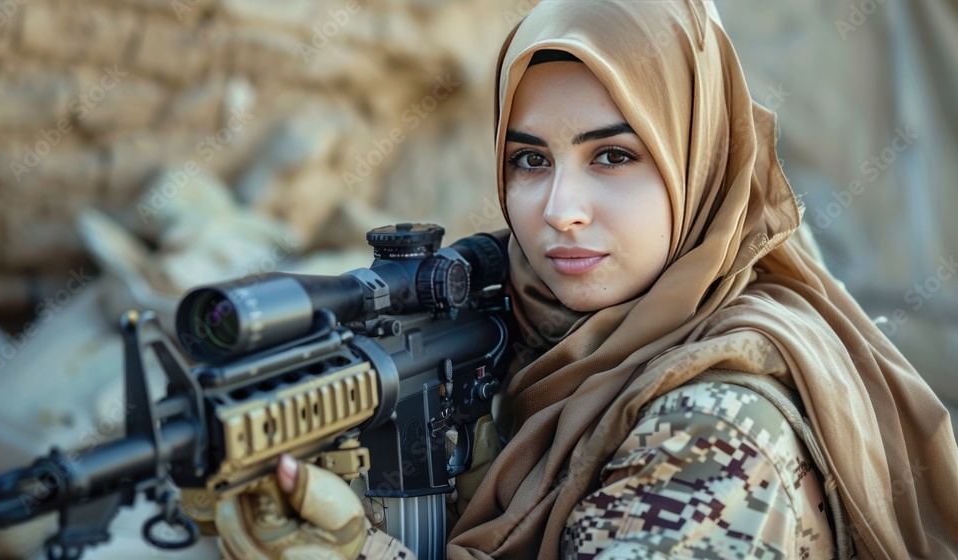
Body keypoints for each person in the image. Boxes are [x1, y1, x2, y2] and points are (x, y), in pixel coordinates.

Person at [269, 1, 958, 559]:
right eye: (531, 160)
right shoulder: (532, 334)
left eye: (614, 155)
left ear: (699, 163)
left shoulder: (716, 432)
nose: (561, 211)